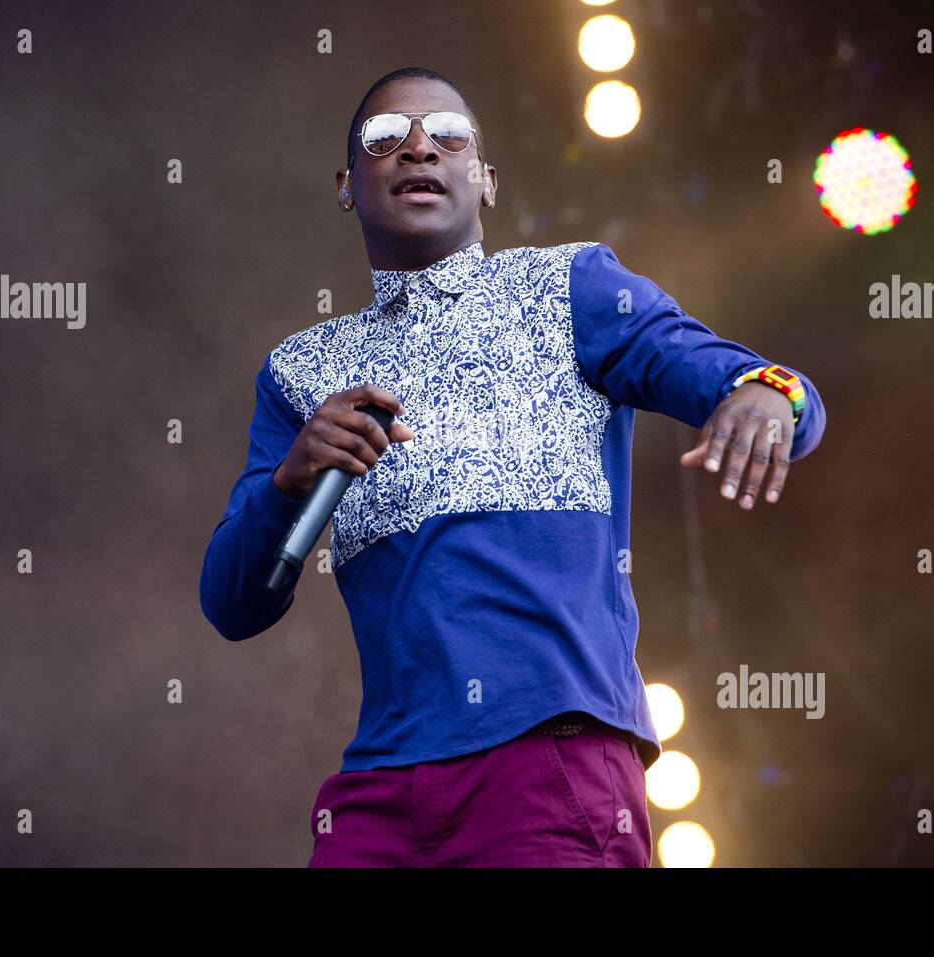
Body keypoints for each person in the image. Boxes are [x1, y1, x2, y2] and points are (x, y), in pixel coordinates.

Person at [199, 67, 827, 867]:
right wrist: (288, 482)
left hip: (550, 763)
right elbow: (231, 603)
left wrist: (772, 397)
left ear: (486, 181)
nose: (419, 146)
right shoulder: (299, 373)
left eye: (449, 134)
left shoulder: (568, 289)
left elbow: (752, 379)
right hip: (380, 792)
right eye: (385, 139)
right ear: (346, 185)